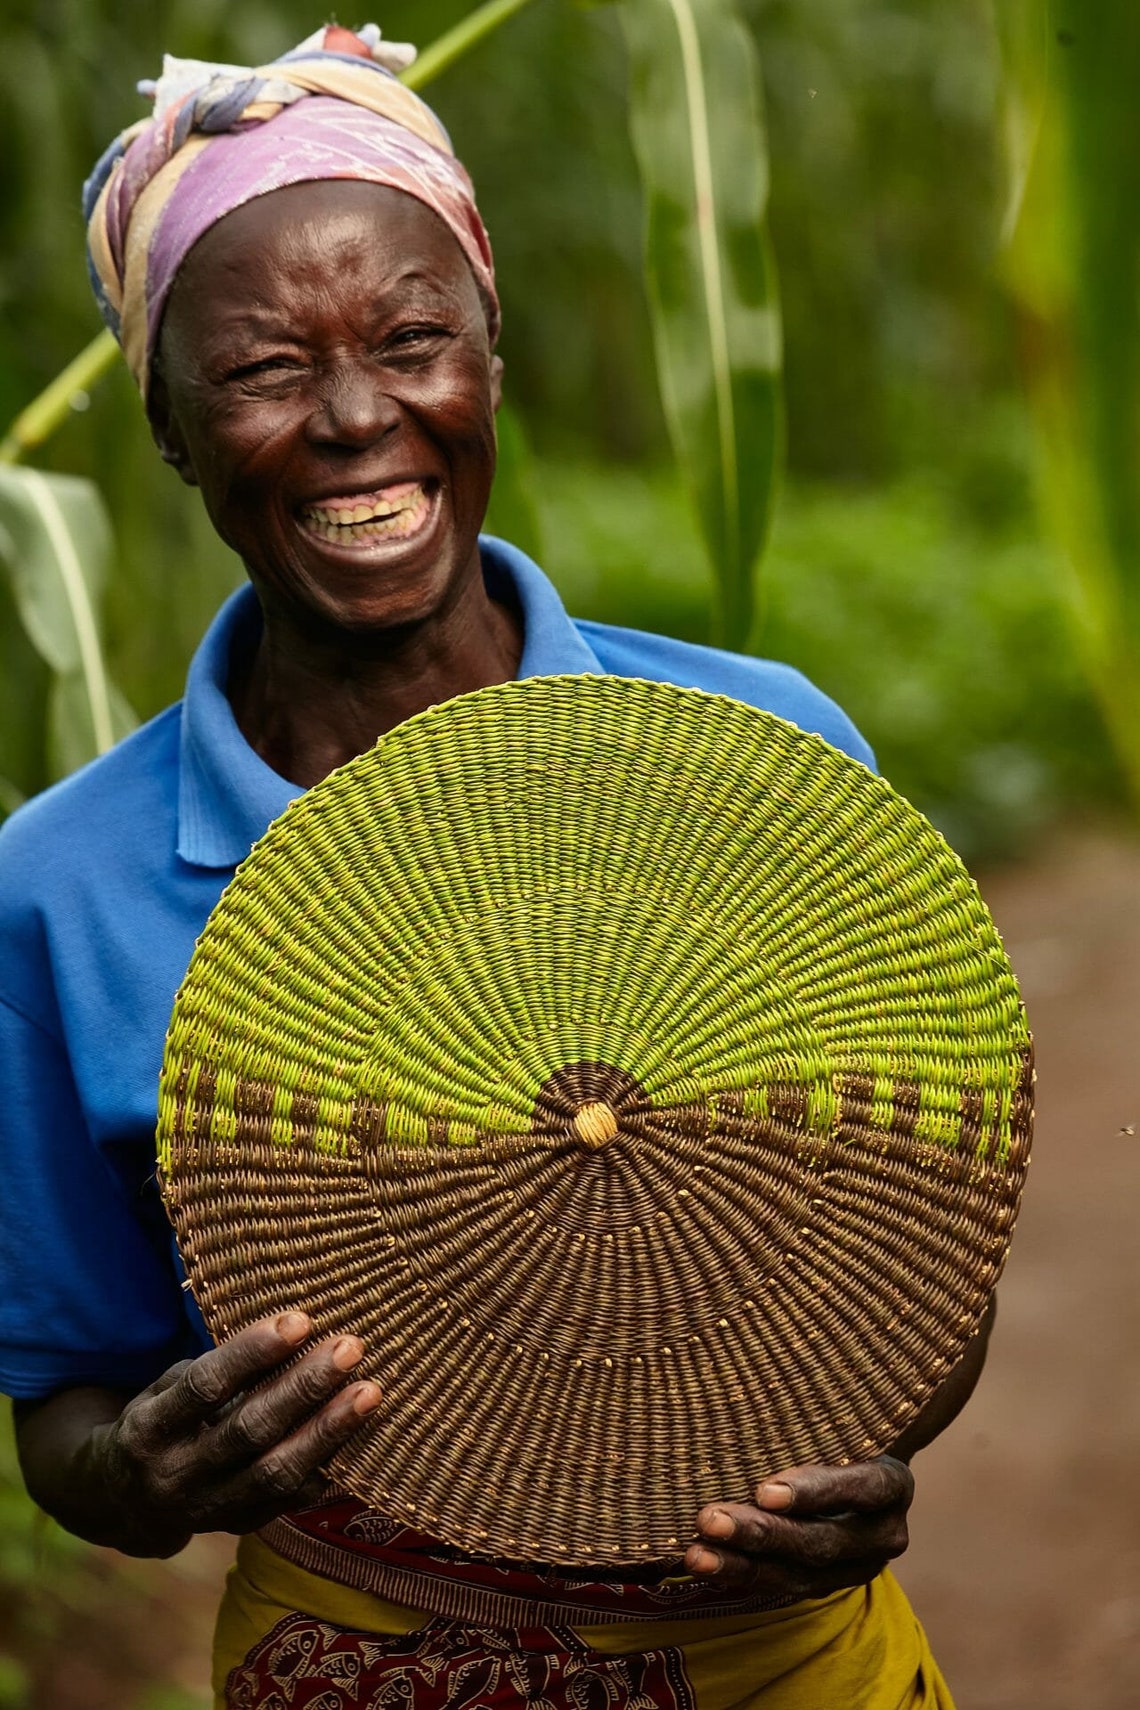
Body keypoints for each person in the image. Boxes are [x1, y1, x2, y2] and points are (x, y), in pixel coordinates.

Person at [0, 24, 993, 1709]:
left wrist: (868, 1456)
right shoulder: (61, 886)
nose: (354, 415)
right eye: (257, 371)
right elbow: (66, 1411)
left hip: (784, 1669)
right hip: (344, 1664)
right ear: (167, 426)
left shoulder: (757, 755)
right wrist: (140, 1476)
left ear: (491, 358)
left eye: (411, 339)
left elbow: (918, 1242)